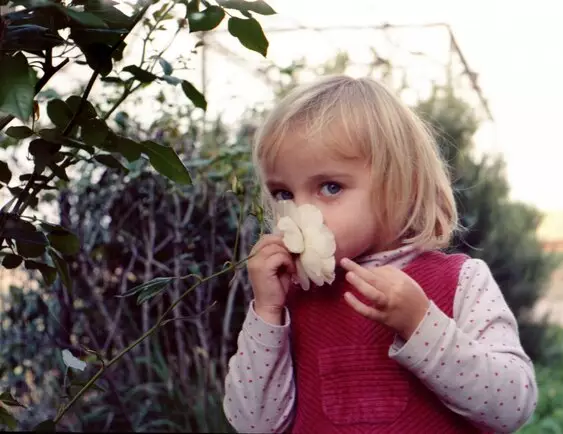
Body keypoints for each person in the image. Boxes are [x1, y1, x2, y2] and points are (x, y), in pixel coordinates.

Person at [223, 75, 538, 433]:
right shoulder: (292, 297)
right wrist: (267, 312)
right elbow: (254, 425)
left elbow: (513, 405)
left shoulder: (461, 282)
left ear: (402, 185)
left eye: (329, 187)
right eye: (283, 194)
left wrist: (422, 326)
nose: (300, 211)